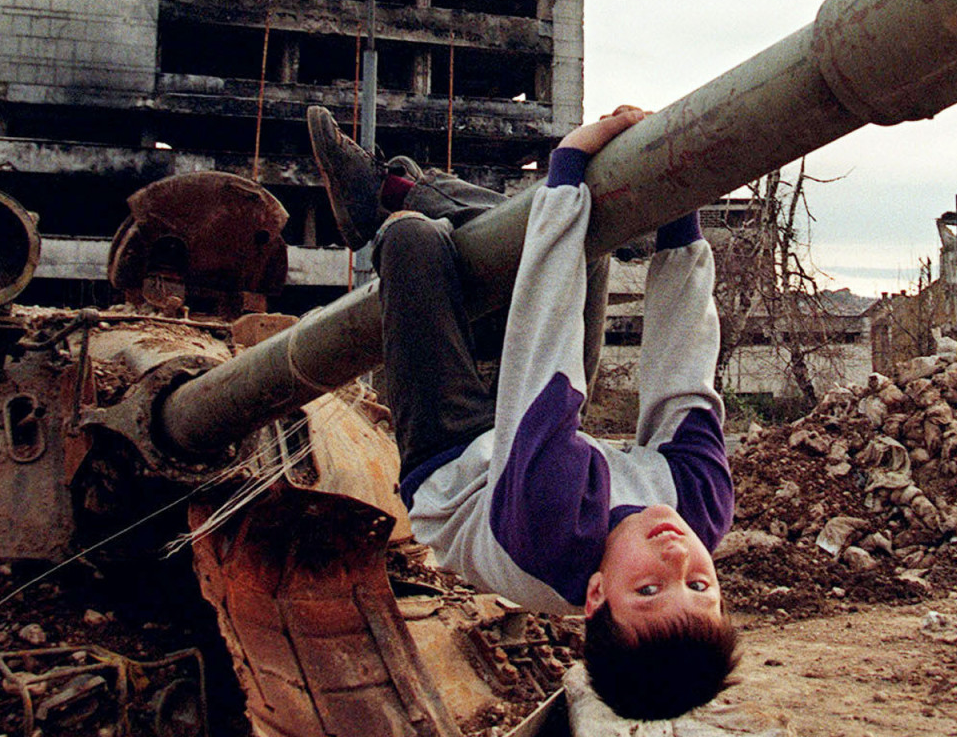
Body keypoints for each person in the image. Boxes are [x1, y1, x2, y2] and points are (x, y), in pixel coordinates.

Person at [307, 104, 739, 720]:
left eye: (649, 590)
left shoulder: (551, 523)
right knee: (589, 244)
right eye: (700, 587)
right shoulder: (700, 507)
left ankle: (393, 201)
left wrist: (566, 162)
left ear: (595, 596)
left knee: (415, 242)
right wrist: (680, 214)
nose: (678, 559)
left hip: (455, 464)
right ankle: (395, 188)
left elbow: (544, 351)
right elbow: (684, 367)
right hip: (546, 439)